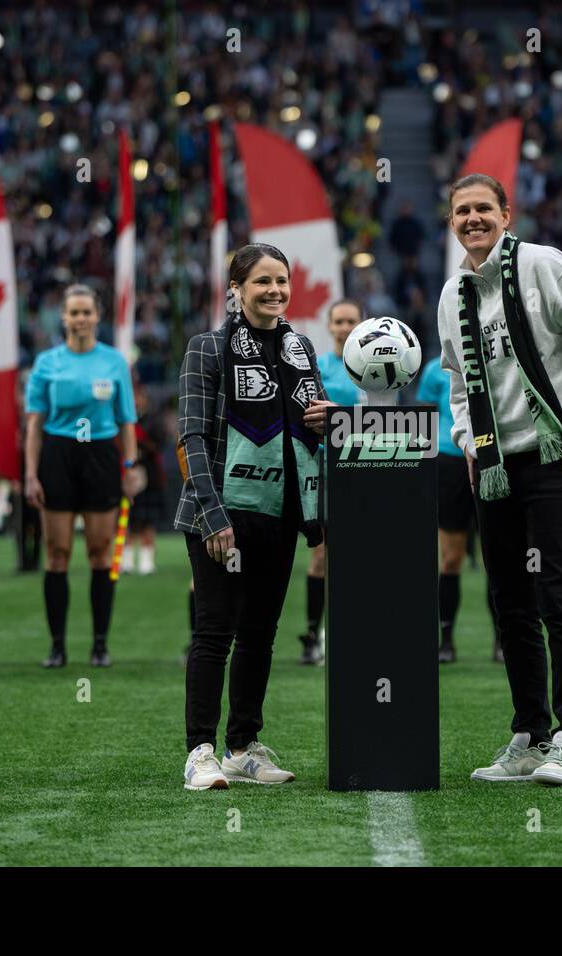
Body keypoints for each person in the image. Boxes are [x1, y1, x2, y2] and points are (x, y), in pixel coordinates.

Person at [439, 173, 562, 786]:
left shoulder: (544, 265)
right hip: (498, 468)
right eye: (462, 211)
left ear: (506, 213)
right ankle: (529, 735)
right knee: (511, 606)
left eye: (482, 209)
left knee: (558, 598)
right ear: (452, 222)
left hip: (557, 457)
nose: (473, 219)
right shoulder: (454, 296)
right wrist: (470, 442)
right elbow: (457, 383)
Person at [175, 243, 331, 790]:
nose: (275, 291)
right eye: (262, 281)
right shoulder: (208, 348)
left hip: (282, 512)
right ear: (236, 288)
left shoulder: (301, 347)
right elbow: (191, 437)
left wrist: (329, 417)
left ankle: (242, 746)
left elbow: (309, 423)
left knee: (261, 636)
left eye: (282, 281)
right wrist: (214, 516)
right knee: (215, 632)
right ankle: (200, 751)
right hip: (222, 515)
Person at [24, 285, 138, 669]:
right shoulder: (46, 363)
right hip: (57, 455)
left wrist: (130, 467)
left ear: (98, 316)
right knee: (57, 554)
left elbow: (126, 422)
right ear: (64, 317)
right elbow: (35, 424)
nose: (80, 319)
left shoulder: (114, 361)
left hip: (101, 457)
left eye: (86, 312)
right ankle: (57, 647)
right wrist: (30, 474)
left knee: (99, 553)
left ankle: (100, 645)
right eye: (73, 313)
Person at [298, 298, 365, 666]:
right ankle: (312, 634)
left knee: (357, 557)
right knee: (321, 555)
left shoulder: (373, 369)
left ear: (361, 323)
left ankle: (351, 633)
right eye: (338, 321)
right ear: (329, 325)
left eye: (350, 320)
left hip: (362, 469)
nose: (343, 327)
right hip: (322, 469)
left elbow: (385, 419)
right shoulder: (315, 367)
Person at [416, 351, 484, 663]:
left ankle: (501, 639)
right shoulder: (434, 369)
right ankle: (447, 640)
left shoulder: (492, 355)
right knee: (452, 558)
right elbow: (425, 419)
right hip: (449, 463)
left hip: (492, 458)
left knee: (500, 557)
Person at [125, 384, 169, 576]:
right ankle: (126, 561)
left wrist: (142, 442)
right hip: (129, 475)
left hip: (149, 476)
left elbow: (161, 441)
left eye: (138, 396)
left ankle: (146, 561)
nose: (136, 400)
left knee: (148, 522)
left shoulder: (153, 420)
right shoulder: (125, 420)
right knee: (129, 521)